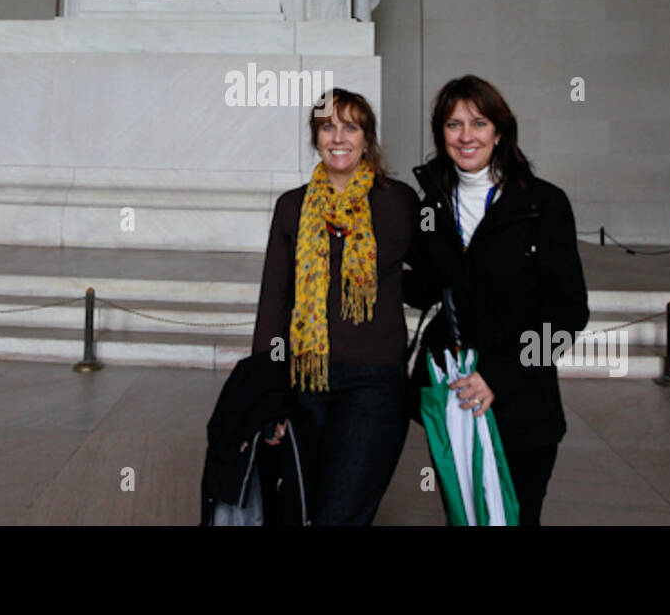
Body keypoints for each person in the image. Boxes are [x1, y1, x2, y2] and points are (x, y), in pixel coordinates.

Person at [411, 75, 588, 525]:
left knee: (516, 516)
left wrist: (498, 376)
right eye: (453, 125)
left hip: (522, 402)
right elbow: (427, 287)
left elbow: (568, 311)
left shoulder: (543, 204)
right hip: (455, 398)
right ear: (441, 134)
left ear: (500, 132)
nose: (466, 136)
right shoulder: (430, 207)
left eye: (479, 123)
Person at [251, 88, 429, 525]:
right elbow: (275, 301)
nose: (339, 137)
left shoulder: (399, 201)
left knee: (341, 513)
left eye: (351, 126)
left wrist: (380, 280)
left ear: (367, 139)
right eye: (328, 126)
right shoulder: (292, 207)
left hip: (374, 382)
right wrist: (267, 393)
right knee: (300, 509)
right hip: (305, 381)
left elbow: (427, 284)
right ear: (316, 138)